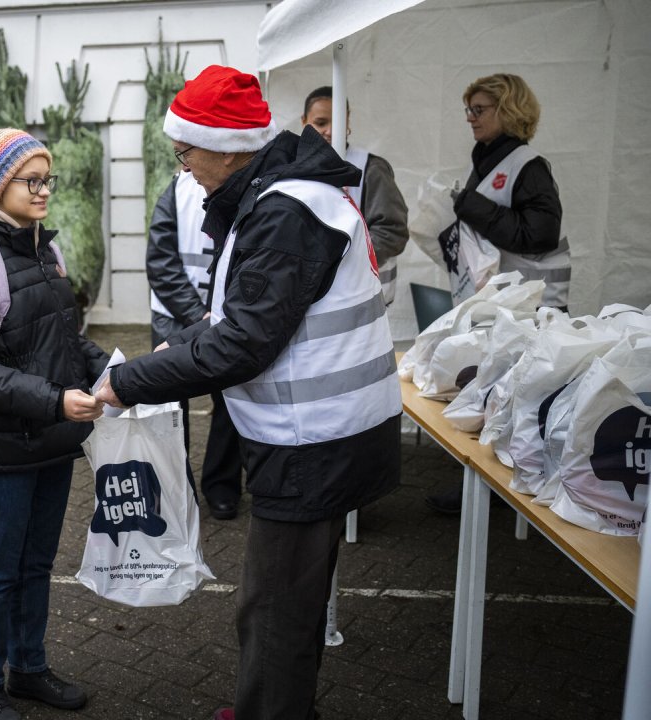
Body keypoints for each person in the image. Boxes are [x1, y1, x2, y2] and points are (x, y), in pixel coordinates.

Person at [95, 66, 402, 720]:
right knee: (293, 598)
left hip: (314, 440)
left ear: (229, 146)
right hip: (326, 431)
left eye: (187, 153)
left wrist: (125, 382)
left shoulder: (287, 208)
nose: (185, 170)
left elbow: (244, 344)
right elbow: (255, 318)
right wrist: (183, 345)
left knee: (274, 607)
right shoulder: (281, 193)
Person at [0, 128, 109, 720]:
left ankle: (28, 668)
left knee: (38, 565)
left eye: (46, 179)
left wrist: (112, 372)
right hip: (6, 445)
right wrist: (55, 400)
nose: (43, 191)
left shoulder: (44, 249)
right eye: (29, 180)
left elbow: (64, 338)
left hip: (53, 439)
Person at [427, 72, 567, 514]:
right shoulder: (489, 157)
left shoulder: (528, 165)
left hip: (530, 306)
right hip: (503, 304)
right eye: (468, 109)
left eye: (479, 109)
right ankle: (483, 485)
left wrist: (472, 206)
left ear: (510, 111)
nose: (470, 118)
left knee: (510, 399)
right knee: (490, 395)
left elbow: (541, 233)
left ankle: (495, 490)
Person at [147, 169, 243, 520]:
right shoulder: (175, 188)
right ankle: (175, 490)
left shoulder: (253, 187)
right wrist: (197, 316)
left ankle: (222, 487)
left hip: (226, 316)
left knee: (231, 402)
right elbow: (161, 261)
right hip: (175, 316)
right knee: (171, 407)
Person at [300, 86, 410, 305]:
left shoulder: (371, 168)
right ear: (304, 121)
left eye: (338, 122)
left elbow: (392, 233)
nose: (330, 131)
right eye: (321, 123)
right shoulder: (293, 170)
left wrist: (338, 262)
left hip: (364, 304)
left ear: (348, 120)